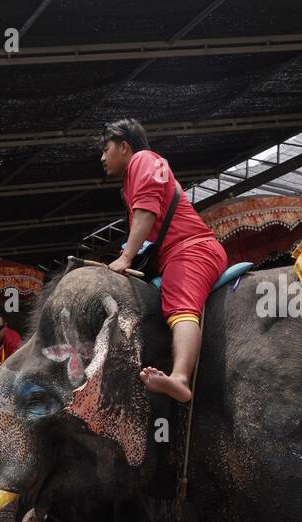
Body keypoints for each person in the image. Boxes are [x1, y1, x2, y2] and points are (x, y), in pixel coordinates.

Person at [100, 118, 229, 404]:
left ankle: (180, 378)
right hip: (175, 254)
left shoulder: (143, 160)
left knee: (179, 305)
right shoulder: (130, 179)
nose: (102, 157)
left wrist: (125, 258)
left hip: (190, 250)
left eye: (105, 149)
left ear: (124, 146)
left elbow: (147, 212)